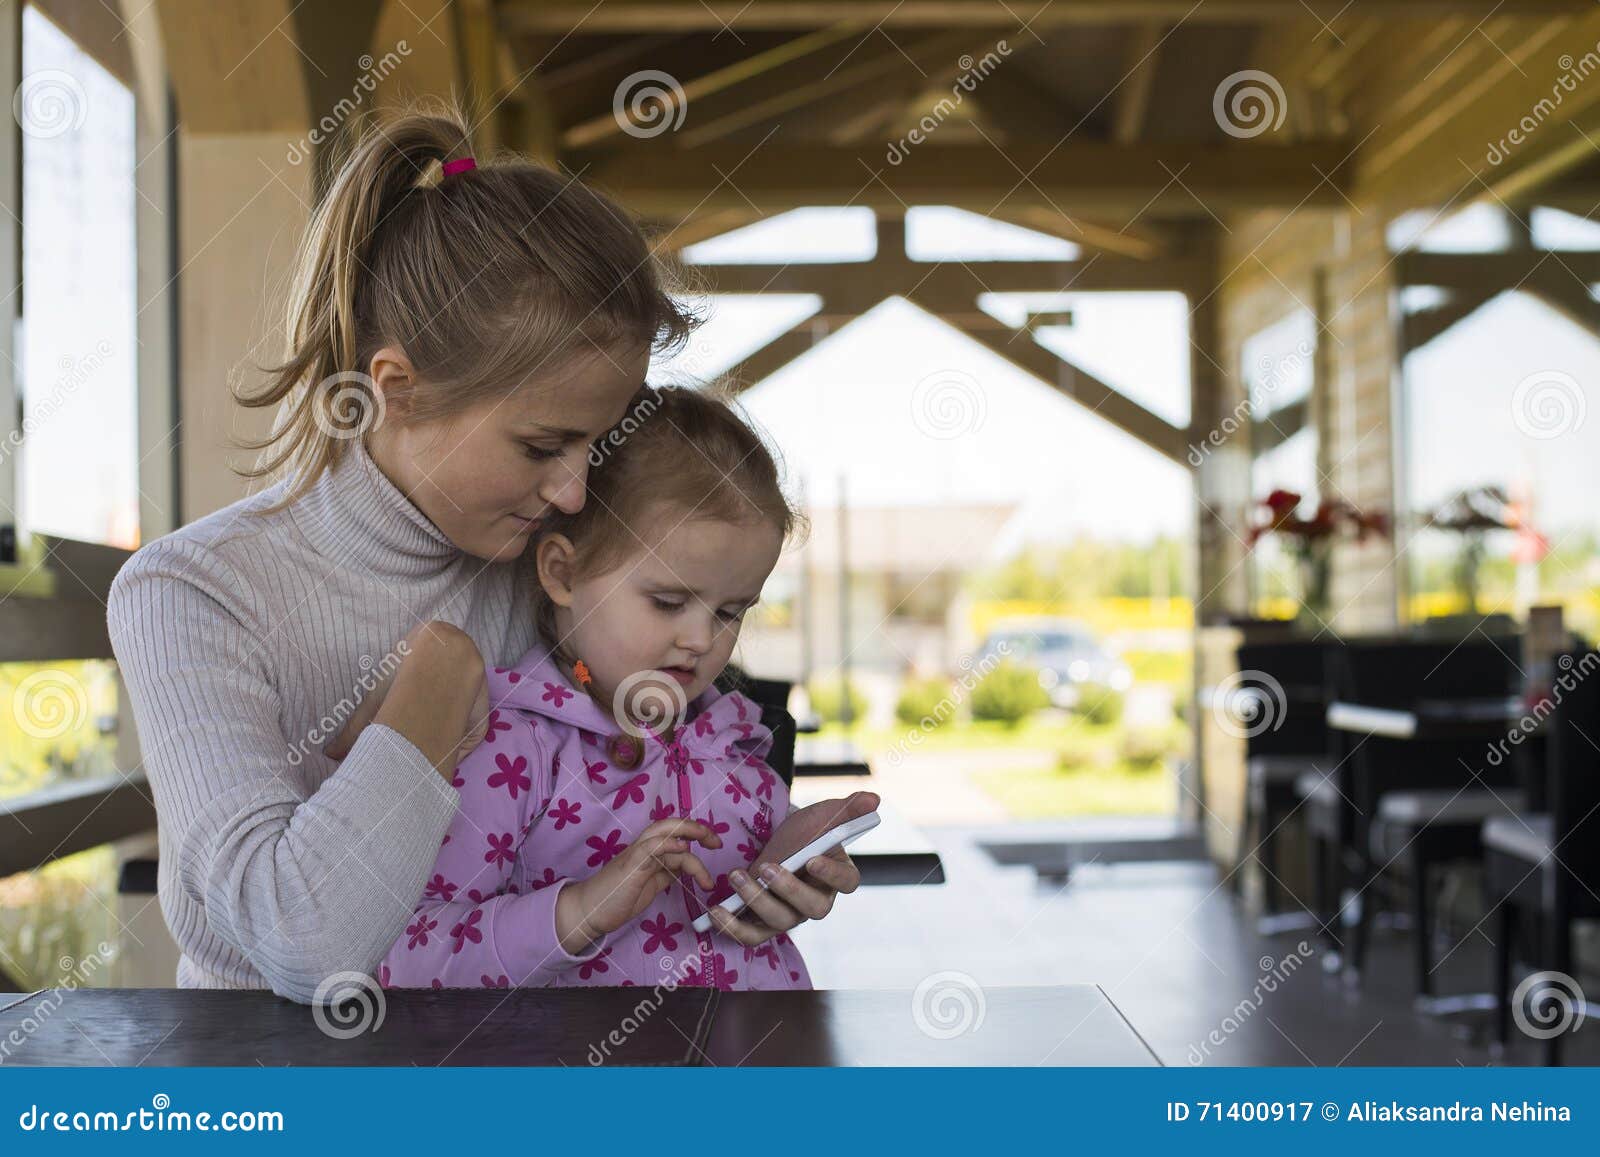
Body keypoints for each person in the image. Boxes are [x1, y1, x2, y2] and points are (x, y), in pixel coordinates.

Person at [106, 109, 861, 1005]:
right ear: (397, 392)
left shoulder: (547, 555)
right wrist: (433, 687)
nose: (576, 494)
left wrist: (751, 875)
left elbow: (642, 782)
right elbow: (307, 948)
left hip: (517, 1053)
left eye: (597, 443)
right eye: (544, 446)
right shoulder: (193, 594)